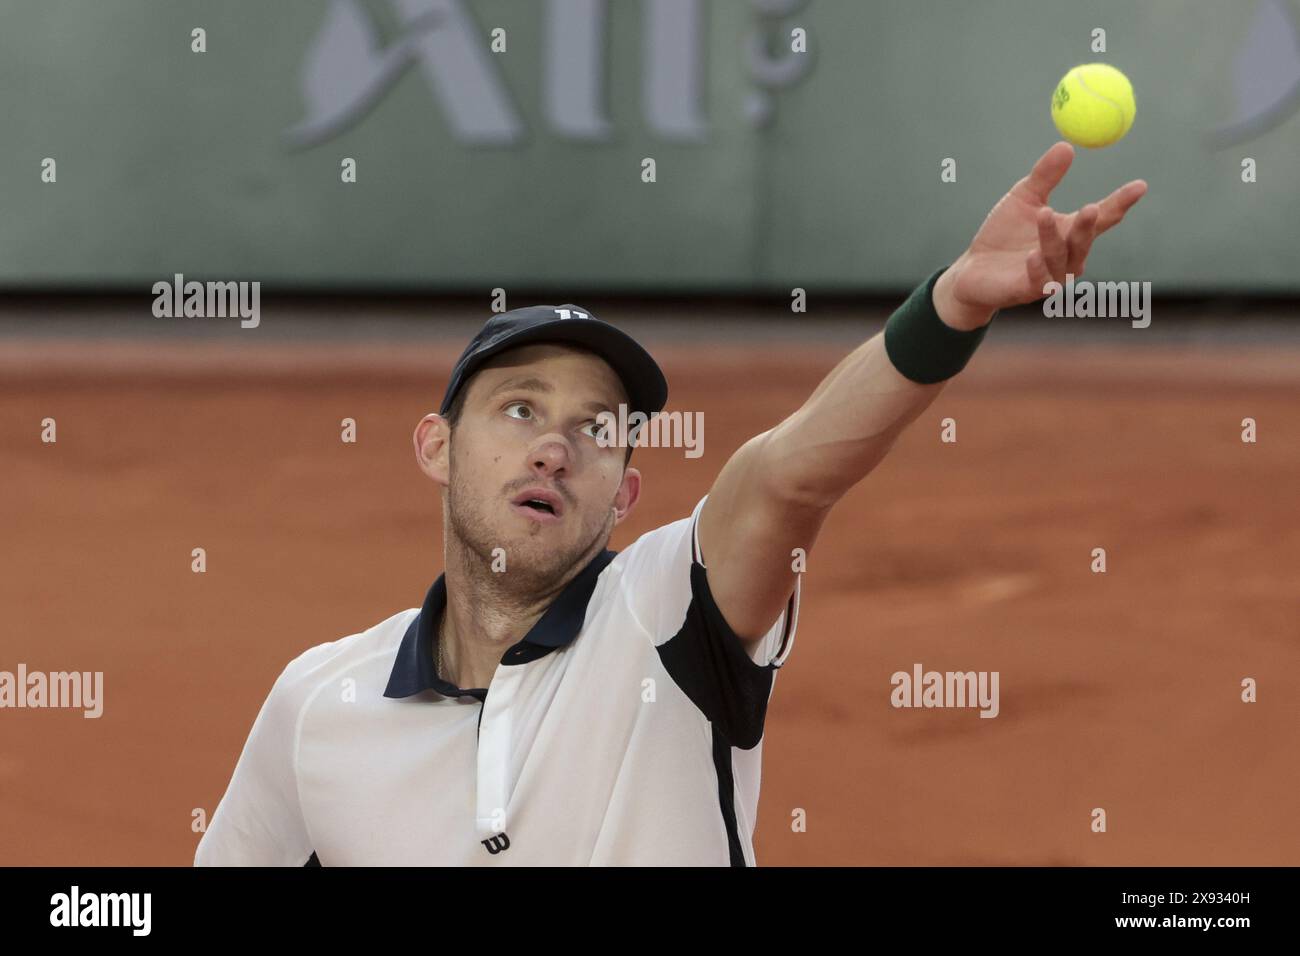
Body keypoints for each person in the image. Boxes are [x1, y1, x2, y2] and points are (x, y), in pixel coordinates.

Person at [194, 142, 1146, 866]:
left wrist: (951, 308)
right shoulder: (320, 702)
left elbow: (788, 476)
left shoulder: (665, 613)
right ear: (437, 447)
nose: (556, 446)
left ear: (627, 493)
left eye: (598, 430)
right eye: (519, 408)